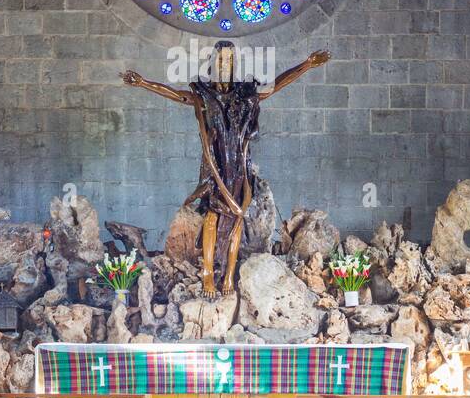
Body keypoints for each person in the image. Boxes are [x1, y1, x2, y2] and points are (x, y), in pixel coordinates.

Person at [122, 42, 330, 295]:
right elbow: (177, 95)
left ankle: (229, 276)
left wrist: (306, 64)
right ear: (213, 64)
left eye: (229, 61)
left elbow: (276, 85)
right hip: (215, 165)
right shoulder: (204, 95)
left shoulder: (245, 93)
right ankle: (208, 274)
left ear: (234, 65)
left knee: (237, 218)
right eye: (220, 60)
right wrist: (144, 83)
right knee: (212, 215)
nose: (224, 65)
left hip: (239, 165)